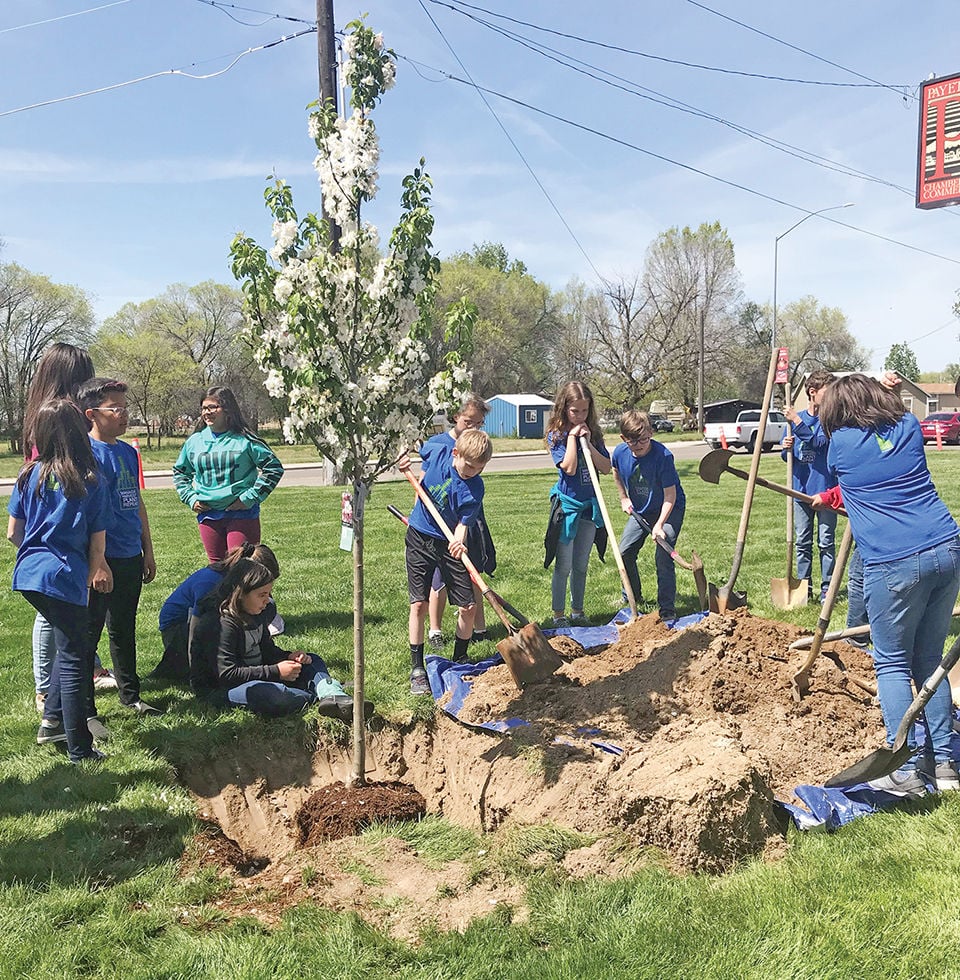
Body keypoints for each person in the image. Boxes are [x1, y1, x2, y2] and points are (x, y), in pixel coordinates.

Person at [819, 373, 960, 797]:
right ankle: (948, 764)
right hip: (946, 547)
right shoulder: (910, 428)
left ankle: (912, 766)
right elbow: (890, 418)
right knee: (930, 657)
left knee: (892, 663)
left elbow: (836, 472)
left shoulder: (840, 446)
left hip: (892, 561)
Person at [7, 399, 109, 763]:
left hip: (29, 574)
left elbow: (12, 533)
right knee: (74, 659)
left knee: (70, 648)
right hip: (65, 576)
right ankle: (80, 749)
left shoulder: (27, 475)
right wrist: (94, 570)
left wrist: (39, 554)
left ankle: (51, 722)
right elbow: (98, 540)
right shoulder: (90, 479)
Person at [20, 343, 116, 711]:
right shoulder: (57, 416)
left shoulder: (54, 412)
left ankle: (81, 671)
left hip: (62, 532)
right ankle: (48, 687)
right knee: (53, 612)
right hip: (58, 533)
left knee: (72, 609)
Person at [189, 558, 369, 720]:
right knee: (271, 695)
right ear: (240, 593)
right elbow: (227, 674)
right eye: (262, 595)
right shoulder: (220, 624)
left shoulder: (257, 612)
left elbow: (266, 650)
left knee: (312, 660)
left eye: (269, 594)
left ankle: (333, 694)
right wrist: (276, 671)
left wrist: (288, 657)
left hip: (257, 674)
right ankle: (318, 696)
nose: (267, 601)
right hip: (221, 689)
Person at [78, 378, 161, 720]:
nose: (124, 414)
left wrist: (148, 549)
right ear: (92, 414)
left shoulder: (128, 452)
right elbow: (84, 512)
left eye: (126, 408)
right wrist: (97, 562)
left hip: (130, 555)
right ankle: (85, 710)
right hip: (101, 557)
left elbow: (136, 502)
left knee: (124, 629)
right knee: (89, 634)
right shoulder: (84, 454)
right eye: (115, 408)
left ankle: (131, 696)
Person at [398, 428, 494, 694]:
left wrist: (459, 540)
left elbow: (464, 522)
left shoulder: (476, 487)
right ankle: (417, 667)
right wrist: (403, 459)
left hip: (449, 542)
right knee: (418, 603)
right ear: (455, 453)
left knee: (468, 607)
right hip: (419, 536)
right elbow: (411, 445)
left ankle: (459, 658)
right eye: (469, 465)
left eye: (479, 468)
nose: (472, 472)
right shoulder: (438, 450)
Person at [172, 386, 284, 563]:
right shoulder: (195, 442)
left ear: (227, 409)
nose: (207, 412)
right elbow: (180, 472)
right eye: (204, 408)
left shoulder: (245, 440)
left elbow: (274, 468)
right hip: (209, 515)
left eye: (212, 407)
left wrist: (249, 498)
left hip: (242, 515)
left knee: (242, 568)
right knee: (216, 570)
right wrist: (191, 498)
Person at [424, 395, 496, 649]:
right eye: (469, 422)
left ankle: (479, 627)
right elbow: (425, 482)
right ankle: (435, 630)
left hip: (466, 520)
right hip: (436, 524)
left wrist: (462, 531)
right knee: (438, 578)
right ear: (456, 417)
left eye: (479, 423)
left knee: (472, 570)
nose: (474, 428)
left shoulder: (478, 450)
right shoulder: (440, 446)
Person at [154, 542, 280, 682]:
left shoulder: (236, 584)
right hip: (179, 628)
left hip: (214, 623)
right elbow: (196, 627)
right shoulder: (210, 583)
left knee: (270, 606)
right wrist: (194, 670)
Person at [544, 380, 610, 627]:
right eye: (575, 411)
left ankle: (578, 612)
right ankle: (559, 615)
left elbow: (605, 467)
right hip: (568, 507)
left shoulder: (595, 433)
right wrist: (572, 438)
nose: (580, 416)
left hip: (589, 507)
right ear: (564, 408)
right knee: (564, 565)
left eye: (584, 410)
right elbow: (569, 468)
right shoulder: (556, 435)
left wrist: (590, 444)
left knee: (581, 563)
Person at [611, 410, 685, 620]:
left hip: (669, 509)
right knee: (624, 552)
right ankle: (632, 597)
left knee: (663, 553)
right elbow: (615, 471)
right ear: (623, 439)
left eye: (643, 439)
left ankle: (667, 609)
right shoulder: (619, 453)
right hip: (641, 510)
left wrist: (660, 525)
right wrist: (623, 497)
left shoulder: (663, 456)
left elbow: (670, 495)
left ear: (651, 433)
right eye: (633, 441)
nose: (639, 445)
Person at [782, 370, 836, 602]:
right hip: (800, 492)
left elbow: (816, 442)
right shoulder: (798, 418)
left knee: (826, 542)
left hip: (825, 492)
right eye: (828, 391)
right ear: (813, 392)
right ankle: (805, 588)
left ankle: (827, 589)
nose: (833, 396)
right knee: (802, 542)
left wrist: (796, 421)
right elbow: (791, 458)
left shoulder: (830, 421)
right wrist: (786, 448)